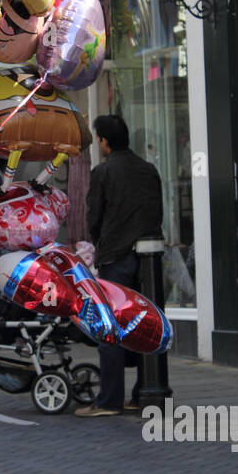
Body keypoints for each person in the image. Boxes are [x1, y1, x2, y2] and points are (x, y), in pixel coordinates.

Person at [76, 114, 163, 417]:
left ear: (103, 141)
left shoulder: (104, 172)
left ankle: (109, 400)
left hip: (116, 257)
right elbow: (157, 211)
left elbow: (94, 216)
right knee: (144, 324)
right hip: (148, 259)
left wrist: (101, 244)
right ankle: (143, 393)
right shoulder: (148, 169)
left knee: (110, 328)